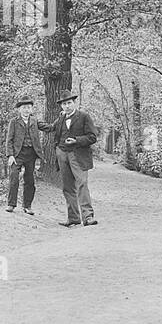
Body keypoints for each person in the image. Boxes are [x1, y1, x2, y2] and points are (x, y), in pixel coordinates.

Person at [41, 90, 99, 227]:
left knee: (82, 184)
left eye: (69, 103)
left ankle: (88, 216)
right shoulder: (60, 118)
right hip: (62, 154)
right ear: (61, 106)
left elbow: (93, 137)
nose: (67, 106)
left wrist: (76, 140)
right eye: (64, 104)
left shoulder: (84, 116)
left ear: (74, 103)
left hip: (78, 155)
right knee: (67, 187)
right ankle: (73, 218)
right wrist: (32, 122)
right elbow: (51, 128)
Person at [4, 97, 41, 215]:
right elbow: (9, 140)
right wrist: (10, 155)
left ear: (31, 109)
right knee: (14, 177)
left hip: (31, 154)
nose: (26, 110)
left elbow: (48, 127)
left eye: (29, 107)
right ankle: (11, 204)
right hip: (17, 154)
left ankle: (27, 205)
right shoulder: (14, 122)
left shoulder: (35, 121)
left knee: (30, 180)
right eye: (24, 108)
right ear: (19, 109)